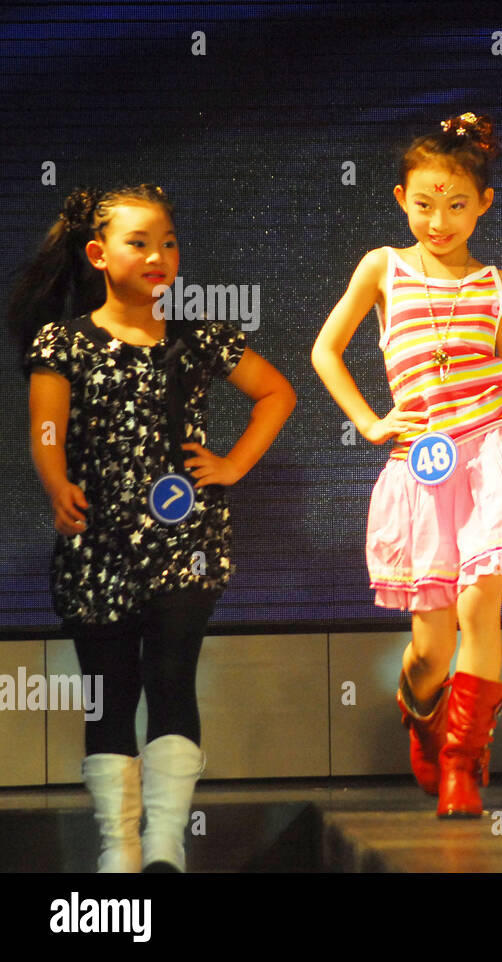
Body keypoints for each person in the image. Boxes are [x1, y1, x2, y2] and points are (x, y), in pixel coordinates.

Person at [312, 114, 502, 817]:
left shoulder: (501, 286)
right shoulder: (382, 266)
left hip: (494, 454)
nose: (438, 220)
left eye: (455, 205)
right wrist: (370, 421)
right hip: (424, 464)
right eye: (423, 204)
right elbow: (327, 349)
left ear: (482, 204)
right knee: (429, 644)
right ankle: (420, 708)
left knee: (482, 609)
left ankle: (462, 763)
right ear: (400, 200)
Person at [11, 184, 296, 870]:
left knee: (172, 677)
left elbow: (276, 393)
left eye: (167, 242)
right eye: (139, 243)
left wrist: (231, 465)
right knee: (109, 690)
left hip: (185, 538)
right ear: (98, 255)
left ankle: (166, 845)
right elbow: (46, 427)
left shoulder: (199, 335)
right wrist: (56, 483)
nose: (158, 255)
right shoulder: (65, 341)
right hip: (96, 542)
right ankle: (119, 849)